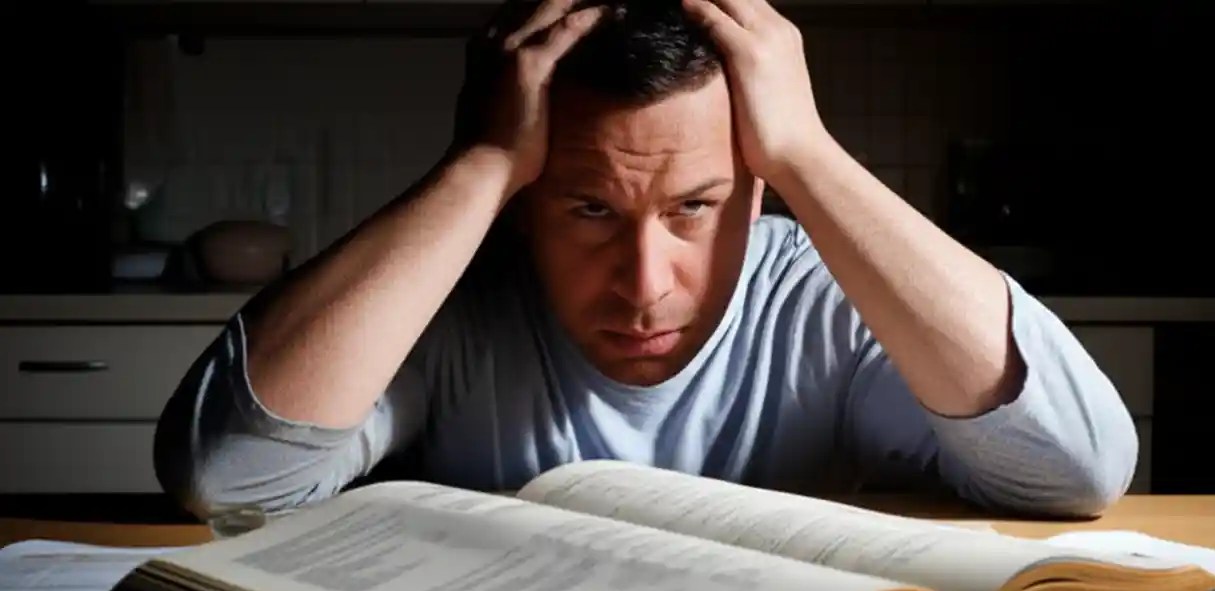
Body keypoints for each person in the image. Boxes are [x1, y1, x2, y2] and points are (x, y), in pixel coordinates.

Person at [154, 0, 1137, 522]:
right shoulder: (449, 303)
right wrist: (479, 162)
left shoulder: (818, 294)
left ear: (754, 189)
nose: (644, 284)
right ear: (521, 200)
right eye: (587, 208)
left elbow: (1073, 473)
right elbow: (231, 480)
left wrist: (805, 152)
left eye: (694, 208)